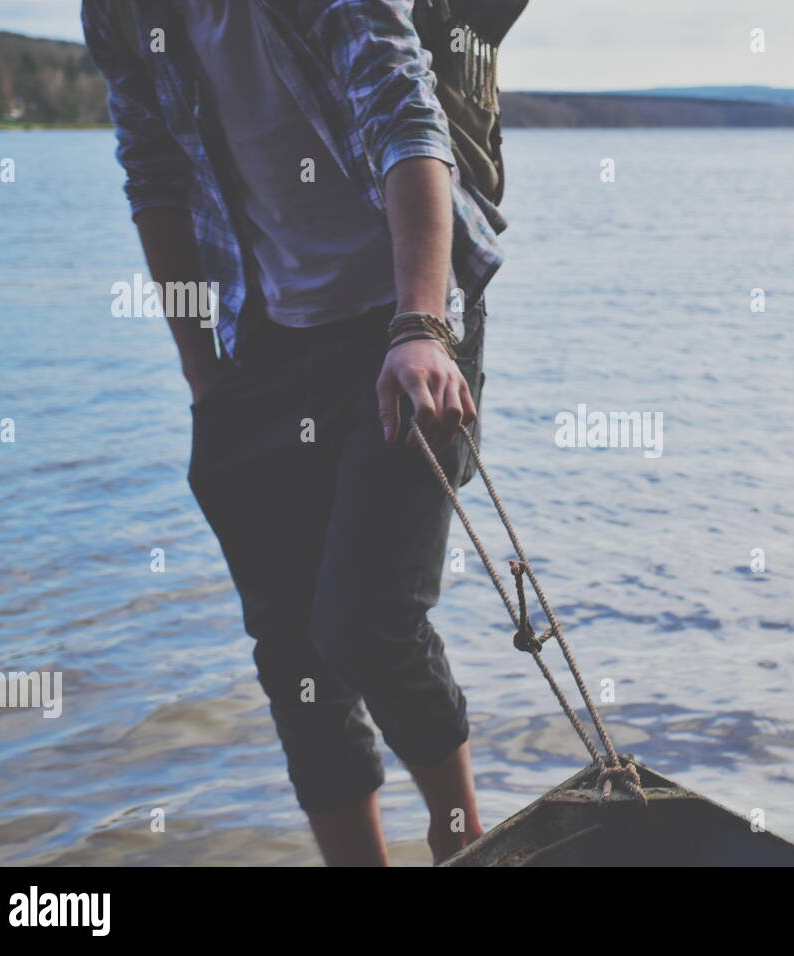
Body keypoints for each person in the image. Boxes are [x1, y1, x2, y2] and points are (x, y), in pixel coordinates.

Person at [82, 0, 506, 865]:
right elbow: (153, 175)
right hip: (260, 346)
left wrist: (419, 324)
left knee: (366, 619)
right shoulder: (119, 13)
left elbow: (404, 114)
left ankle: (464, 839)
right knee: (292, 650)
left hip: (402, 317)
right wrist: (206, 377)